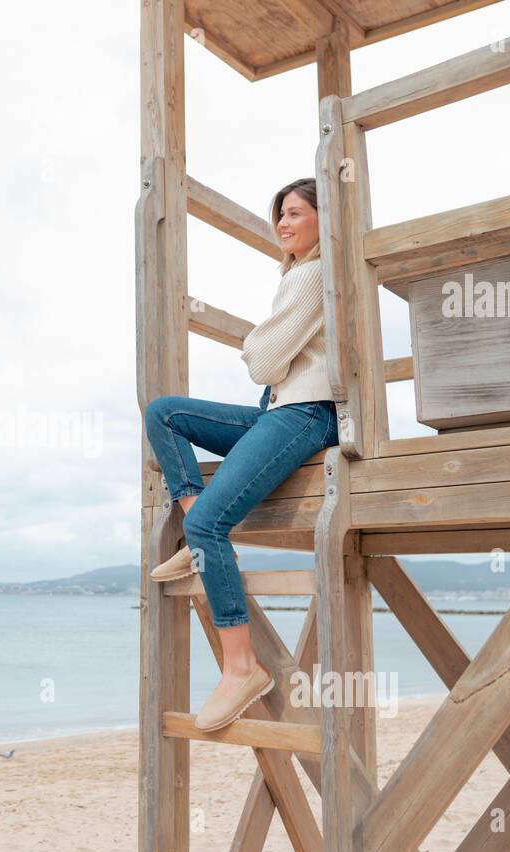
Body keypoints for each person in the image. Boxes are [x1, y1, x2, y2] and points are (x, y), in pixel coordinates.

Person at [142, 176, 339, 731]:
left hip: (306, 413)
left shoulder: (313, 275)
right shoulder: (299, 276)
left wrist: (258, 342)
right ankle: (196, 536)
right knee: (164, 413)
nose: (283, 223)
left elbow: (261, 362)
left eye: (295, 213)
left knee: (210, 525)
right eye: (280, 214)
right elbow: (269, 360)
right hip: (282, 411)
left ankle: (242, 668)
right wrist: (264, 343)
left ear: (326, 219)